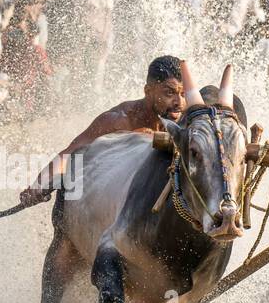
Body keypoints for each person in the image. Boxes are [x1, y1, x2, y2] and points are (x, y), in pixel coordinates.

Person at [18, 55, 186, 206]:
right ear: (148, 91)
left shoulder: (187, 120)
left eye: (183, 94)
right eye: (169, 93)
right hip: (111, 200)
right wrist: (38, 186)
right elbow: (69, 154)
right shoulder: (120, 120)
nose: (179, 102)